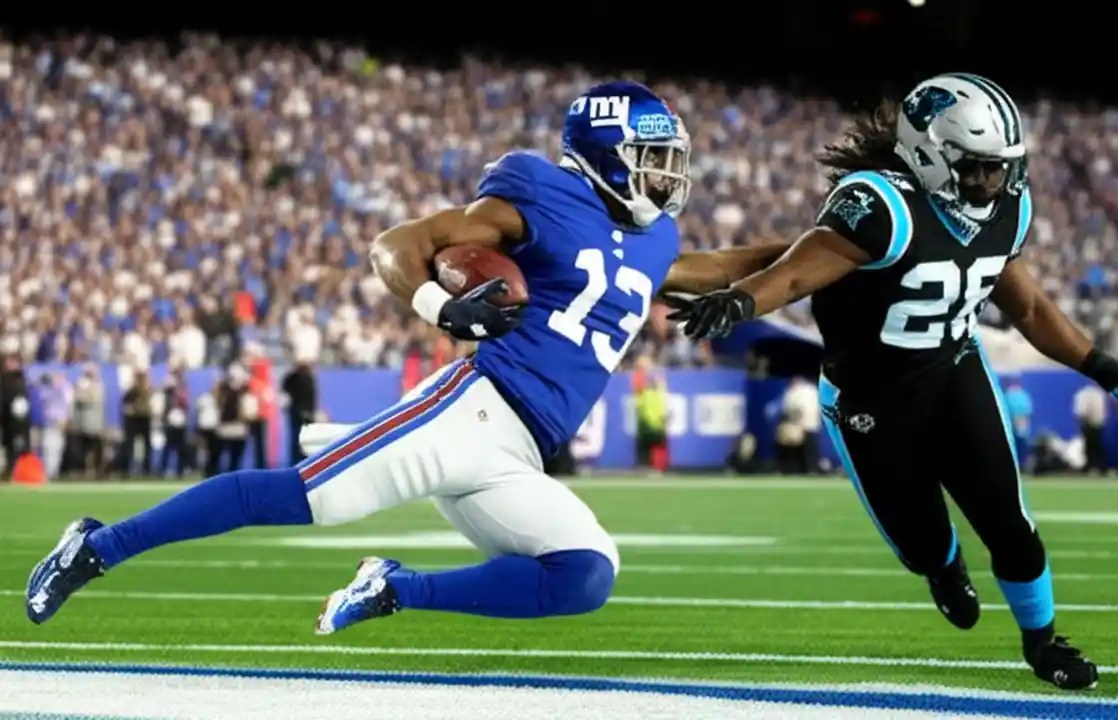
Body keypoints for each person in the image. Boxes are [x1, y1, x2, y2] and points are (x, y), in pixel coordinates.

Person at [26, 80, 787, 633]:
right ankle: (96, 546)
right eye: (650, 156)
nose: (666, 173)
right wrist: (440, 305)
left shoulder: (655, 241)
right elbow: (395, 245)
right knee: (300, 498)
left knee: (585, 573)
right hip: (473, 410)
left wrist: (825, 248)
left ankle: (395, 588)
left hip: (520, 453)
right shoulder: (538, 192)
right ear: (604, 155)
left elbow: (719, 270)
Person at [665, 73, 1118, 691]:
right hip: (869, 400)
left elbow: (1030, 308)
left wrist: (1109, 371)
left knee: (1010, 524)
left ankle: (1043, 643)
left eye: (1000, 167)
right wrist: (740, 302)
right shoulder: (879, 204)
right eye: (977, 167)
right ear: (930, 152)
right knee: (923, 544)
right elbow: (795, 275)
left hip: (954, 374)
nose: (992, 183)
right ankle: (943, 566)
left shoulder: (1006, 206)